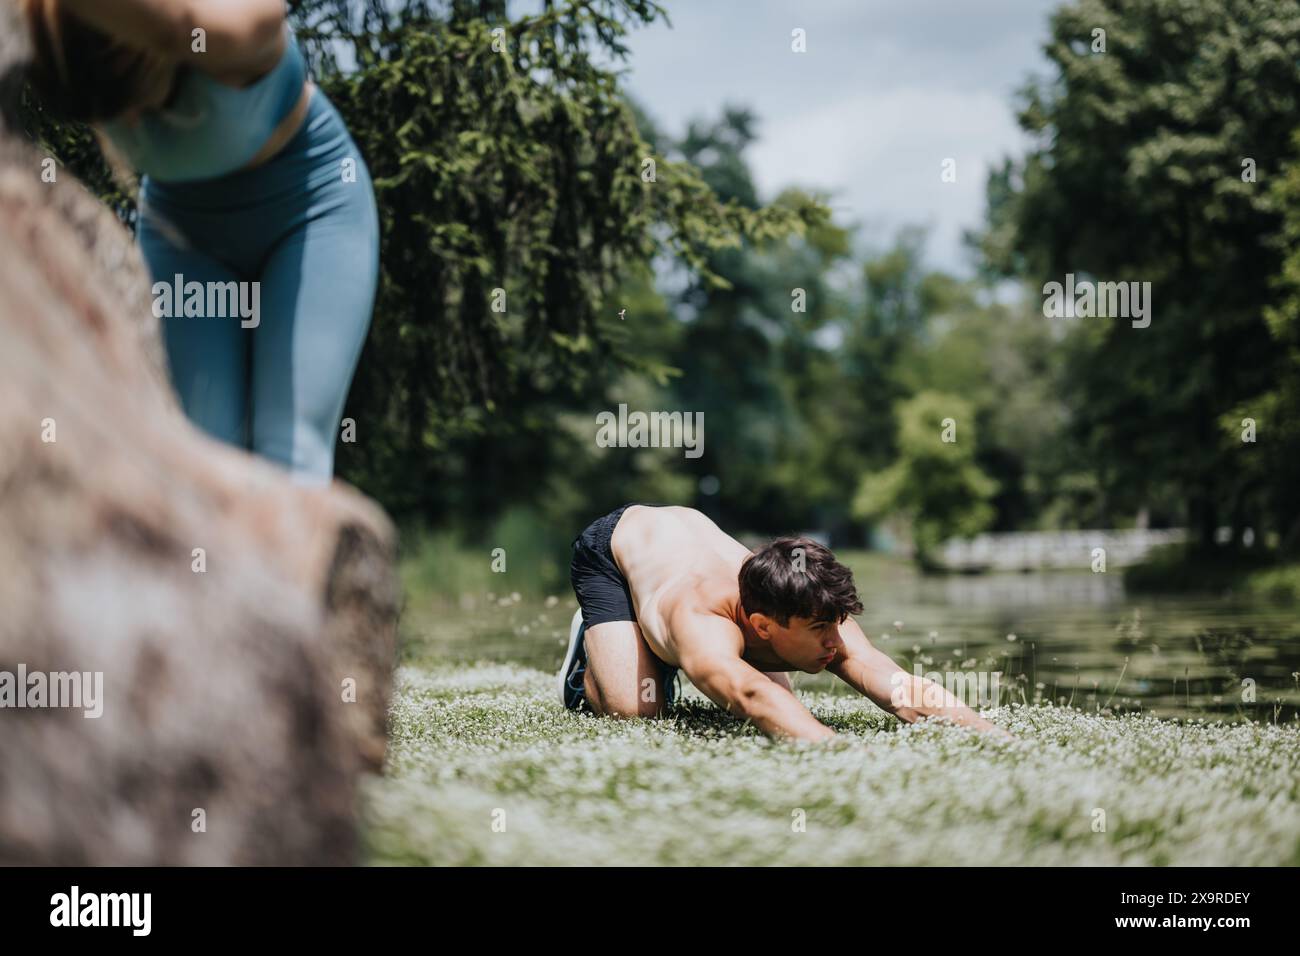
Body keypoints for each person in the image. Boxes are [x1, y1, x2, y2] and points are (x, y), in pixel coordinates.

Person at [20, 0, 379, 484]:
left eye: (145, 102)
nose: (130, 125)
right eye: (107, 111)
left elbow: (196, 22)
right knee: (201, 459)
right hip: (185, 241)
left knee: (290, 451)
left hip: (312, 212)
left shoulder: (234, 32)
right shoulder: (66, 54)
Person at [562, 503, 1012, 741]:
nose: (835, 643)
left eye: (836, 623)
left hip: (690, 539)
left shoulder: (808, 603)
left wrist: (992, 736)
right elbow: (748, 692)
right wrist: (829, 745)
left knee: (783, 704)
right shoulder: (701, 618)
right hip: (616, 550)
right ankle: (597, 645)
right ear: (761, 627)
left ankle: (645, 644)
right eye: (820, 630)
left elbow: (898, 688)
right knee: (636, 711)